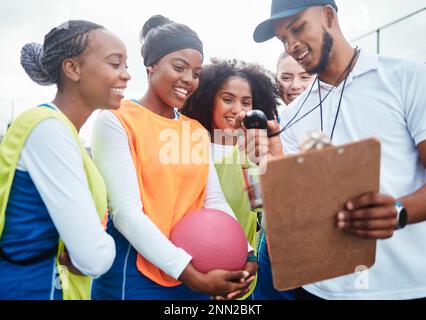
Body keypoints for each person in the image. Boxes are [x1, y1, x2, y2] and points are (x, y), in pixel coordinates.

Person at [253, 0, 426, 300]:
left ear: (329, 15)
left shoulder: (408, 78)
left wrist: (400, 211)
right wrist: (270, 183)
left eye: (297, 28)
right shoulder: (291, 117)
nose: (291, 45)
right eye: (283, 39)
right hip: (317, 289)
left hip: (404, 288)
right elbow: (301, 209)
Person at [90, 15, 255, 300]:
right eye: (179, 67)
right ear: (151, 65)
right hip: (135, 276)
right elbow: (127, 213)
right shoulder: (115, 120)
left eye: (196, 72)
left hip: (196, 273)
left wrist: (246, 253)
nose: (189, 80)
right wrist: (189, 273)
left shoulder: (195, 131)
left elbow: (212, 200)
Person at [0, 20, 130, 299]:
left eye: (126, 65)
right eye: (115, 64)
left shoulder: (64, 134)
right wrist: (103, 248)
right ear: (72, 68)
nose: (126, 75)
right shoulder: (48, 131)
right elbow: (93, 259)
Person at [182, 59, 280, 299]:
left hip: (239, 278)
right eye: (228, 99)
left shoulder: (252, 155)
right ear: (207, 99)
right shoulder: (186, 146)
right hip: (188, 279)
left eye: (246, 102)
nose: (237, 109)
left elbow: (267, 215)